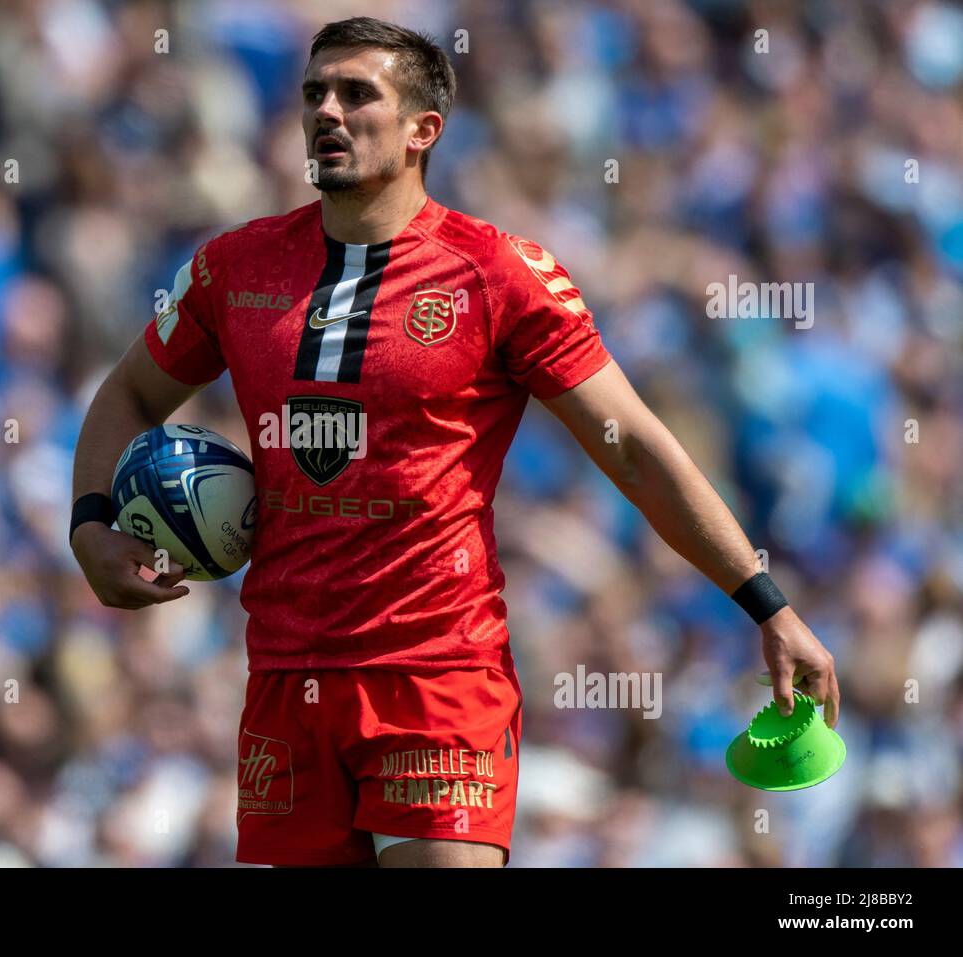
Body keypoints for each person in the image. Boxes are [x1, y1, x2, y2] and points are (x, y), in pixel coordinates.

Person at [69, 16, 840, 868]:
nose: (328, 111)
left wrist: (767, 603)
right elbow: (130, 394)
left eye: (358, 94)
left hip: (436, 677)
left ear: (421, 130)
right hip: (286, 683)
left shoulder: (498, 273)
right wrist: (90, 524)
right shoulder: (235, 268)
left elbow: (632, 447)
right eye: (314, 93)